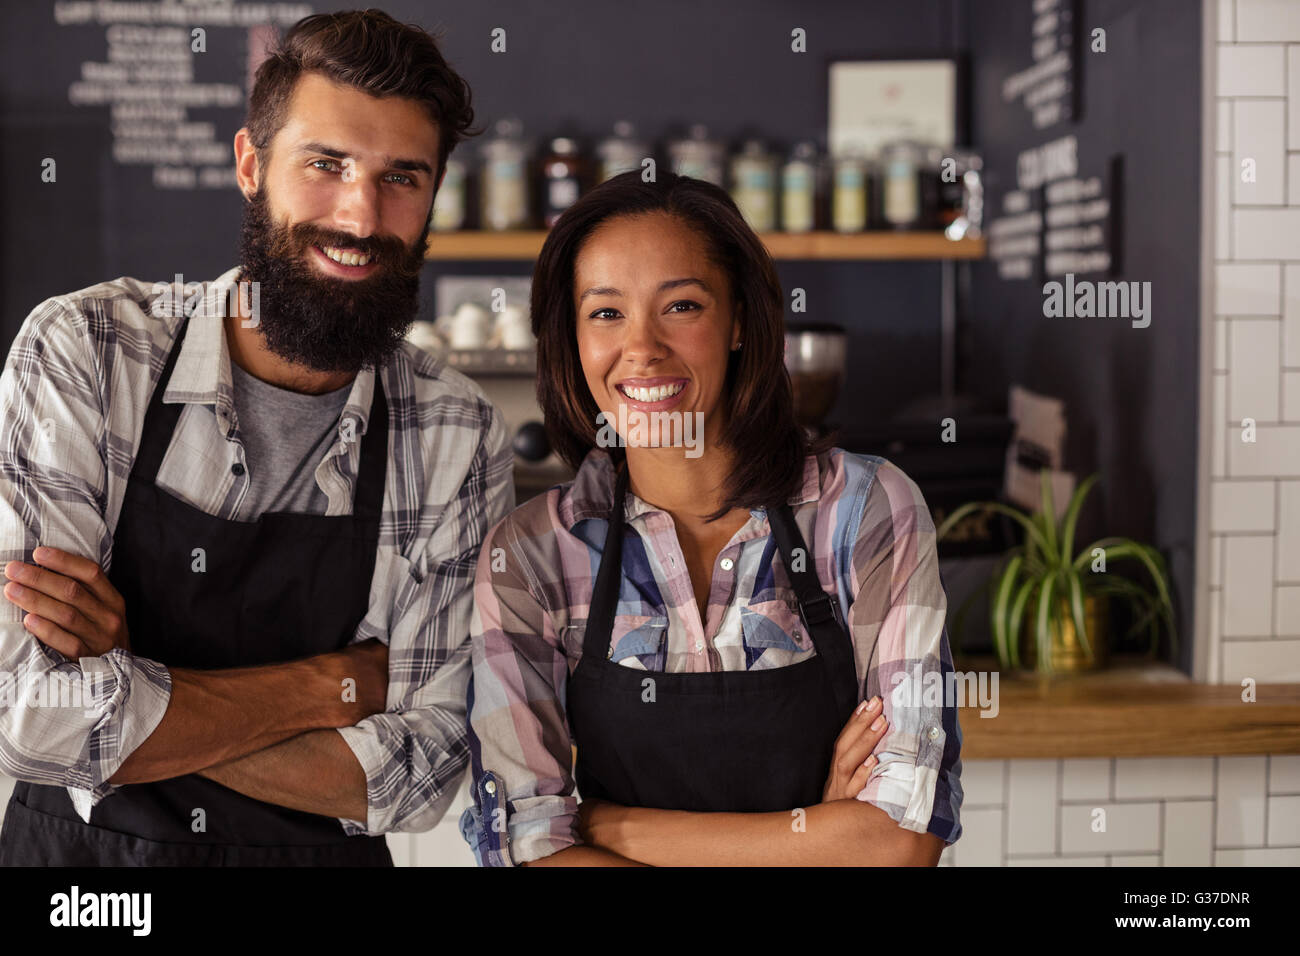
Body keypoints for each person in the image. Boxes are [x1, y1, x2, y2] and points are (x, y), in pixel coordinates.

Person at [0, 10, 513, 866]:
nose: (360, 214)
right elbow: (34, 716)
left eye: (402, 177)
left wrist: (136, 677)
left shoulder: (455, 432)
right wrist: (325, 688)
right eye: (326, 164)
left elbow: (419, 779)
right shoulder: (88, 350)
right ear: (251, 164)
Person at [459, 170, 963, 866]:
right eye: (605, 313)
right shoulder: (534, 554)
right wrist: (816, 833)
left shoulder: (865, 512)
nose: (641, 348)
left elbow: (901, 844)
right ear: (570, 339)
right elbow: (530, 849)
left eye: (682, 306)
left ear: (739, 324)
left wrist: (615, 828)